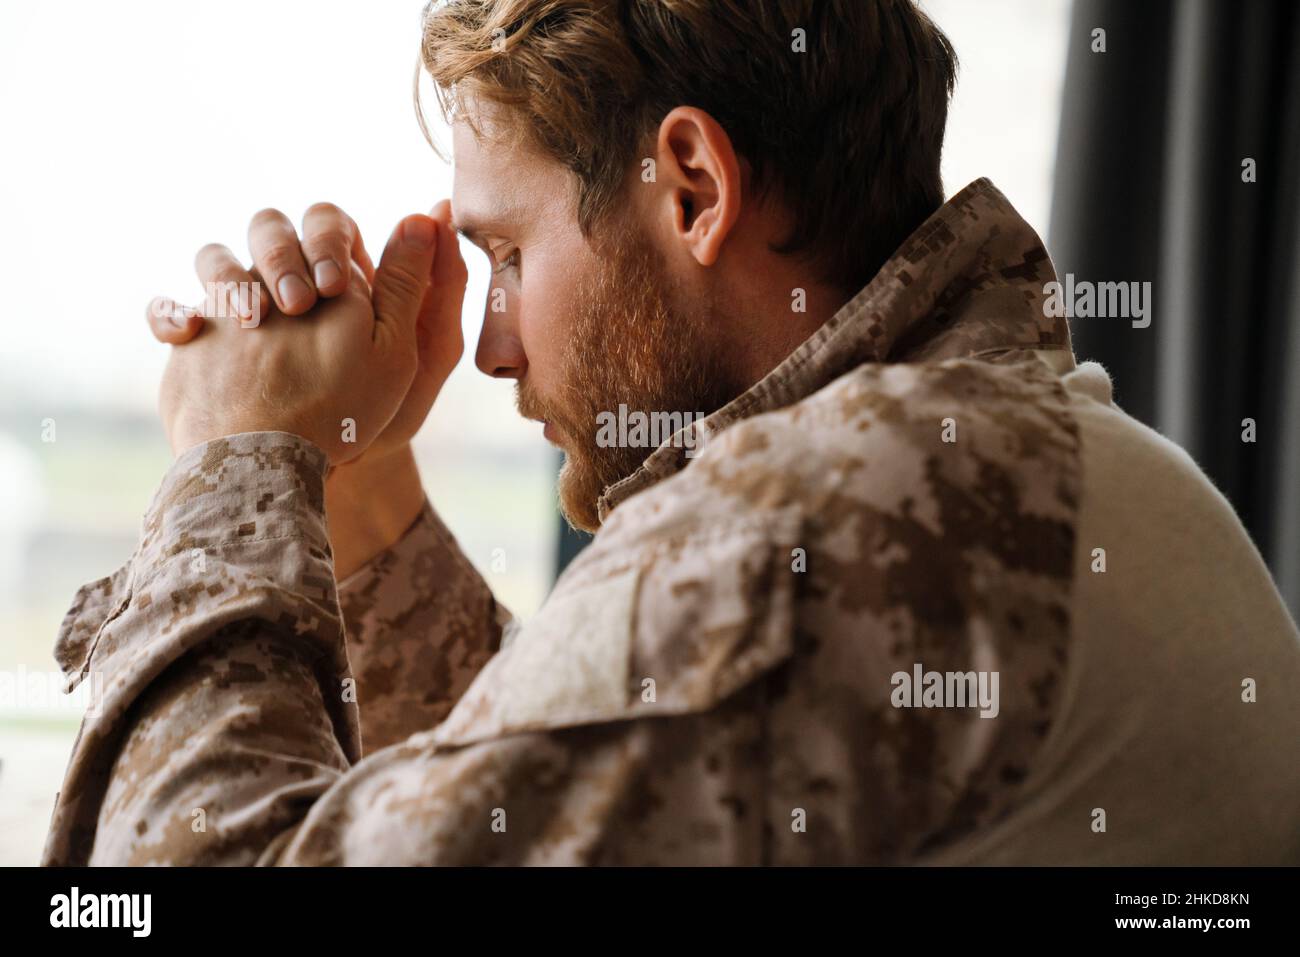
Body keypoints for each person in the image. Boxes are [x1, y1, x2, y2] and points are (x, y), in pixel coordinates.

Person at [43, 0, 1300, 866]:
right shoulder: (996, 460)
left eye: (508, 253)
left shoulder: (836, 517)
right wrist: (350, 498)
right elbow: (562, 802)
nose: (489, 345)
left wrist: (232, 465)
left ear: (689, 188)